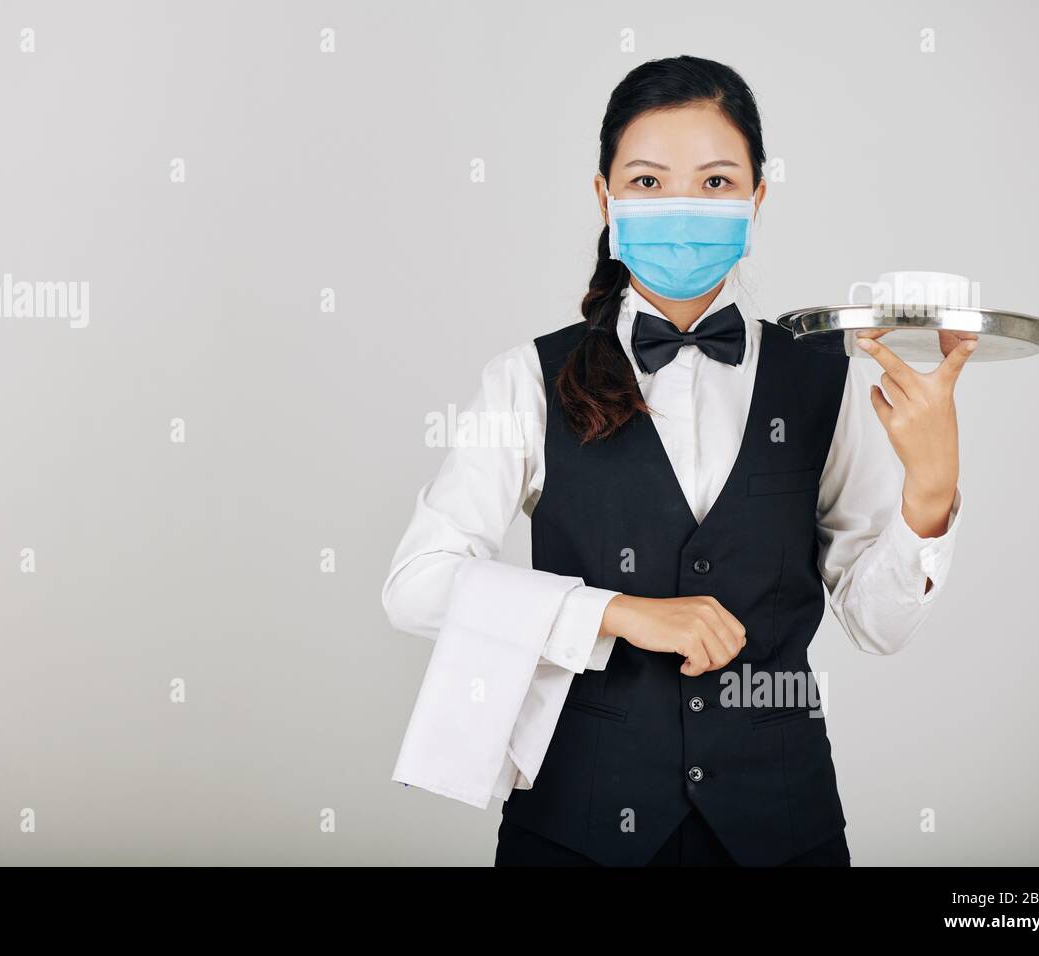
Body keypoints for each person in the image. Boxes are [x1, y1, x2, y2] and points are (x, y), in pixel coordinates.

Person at [383, 55, 970, 867]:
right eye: (651, 182)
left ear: (758, 199)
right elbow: (416, 586)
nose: (684, 208)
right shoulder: (525, 378)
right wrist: (615, 612)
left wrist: (930, 494)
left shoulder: (822, 376)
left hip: (782, 831)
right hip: (576, 832)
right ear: (606, 198)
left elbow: (878, 625)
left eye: (718, 182)